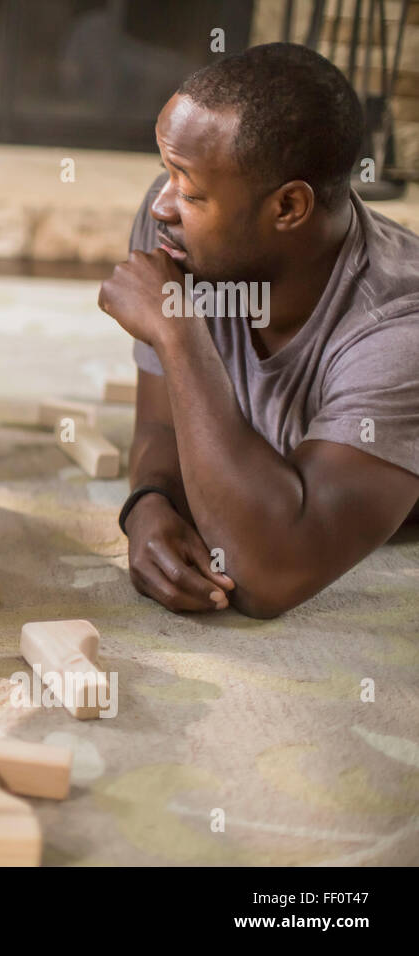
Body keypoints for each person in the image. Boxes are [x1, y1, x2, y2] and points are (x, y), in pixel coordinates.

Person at [99, 43, 419, 618]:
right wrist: (148, 503)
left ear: (290, 206)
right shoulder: (177, 228)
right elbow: (157, 424)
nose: (161, 206)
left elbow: (268, 575)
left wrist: (178, 331)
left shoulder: (399, 327)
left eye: (190, 189)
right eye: (166, 172)